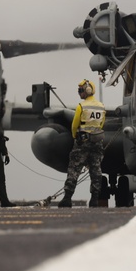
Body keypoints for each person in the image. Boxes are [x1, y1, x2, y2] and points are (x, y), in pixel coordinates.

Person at [58, 79, 106, 208]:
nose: (79, 93)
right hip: (97, 142)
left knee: (74, 169)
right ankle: (95, 199)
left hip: (83, 142)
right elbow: (101, 124)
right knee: (96, 170)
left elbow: (74, 125)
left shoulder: (82, 106)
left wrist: (75, 136)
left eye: (80, 90)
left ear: (87, 91)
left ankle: (67, 198)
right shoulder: (101, 106)